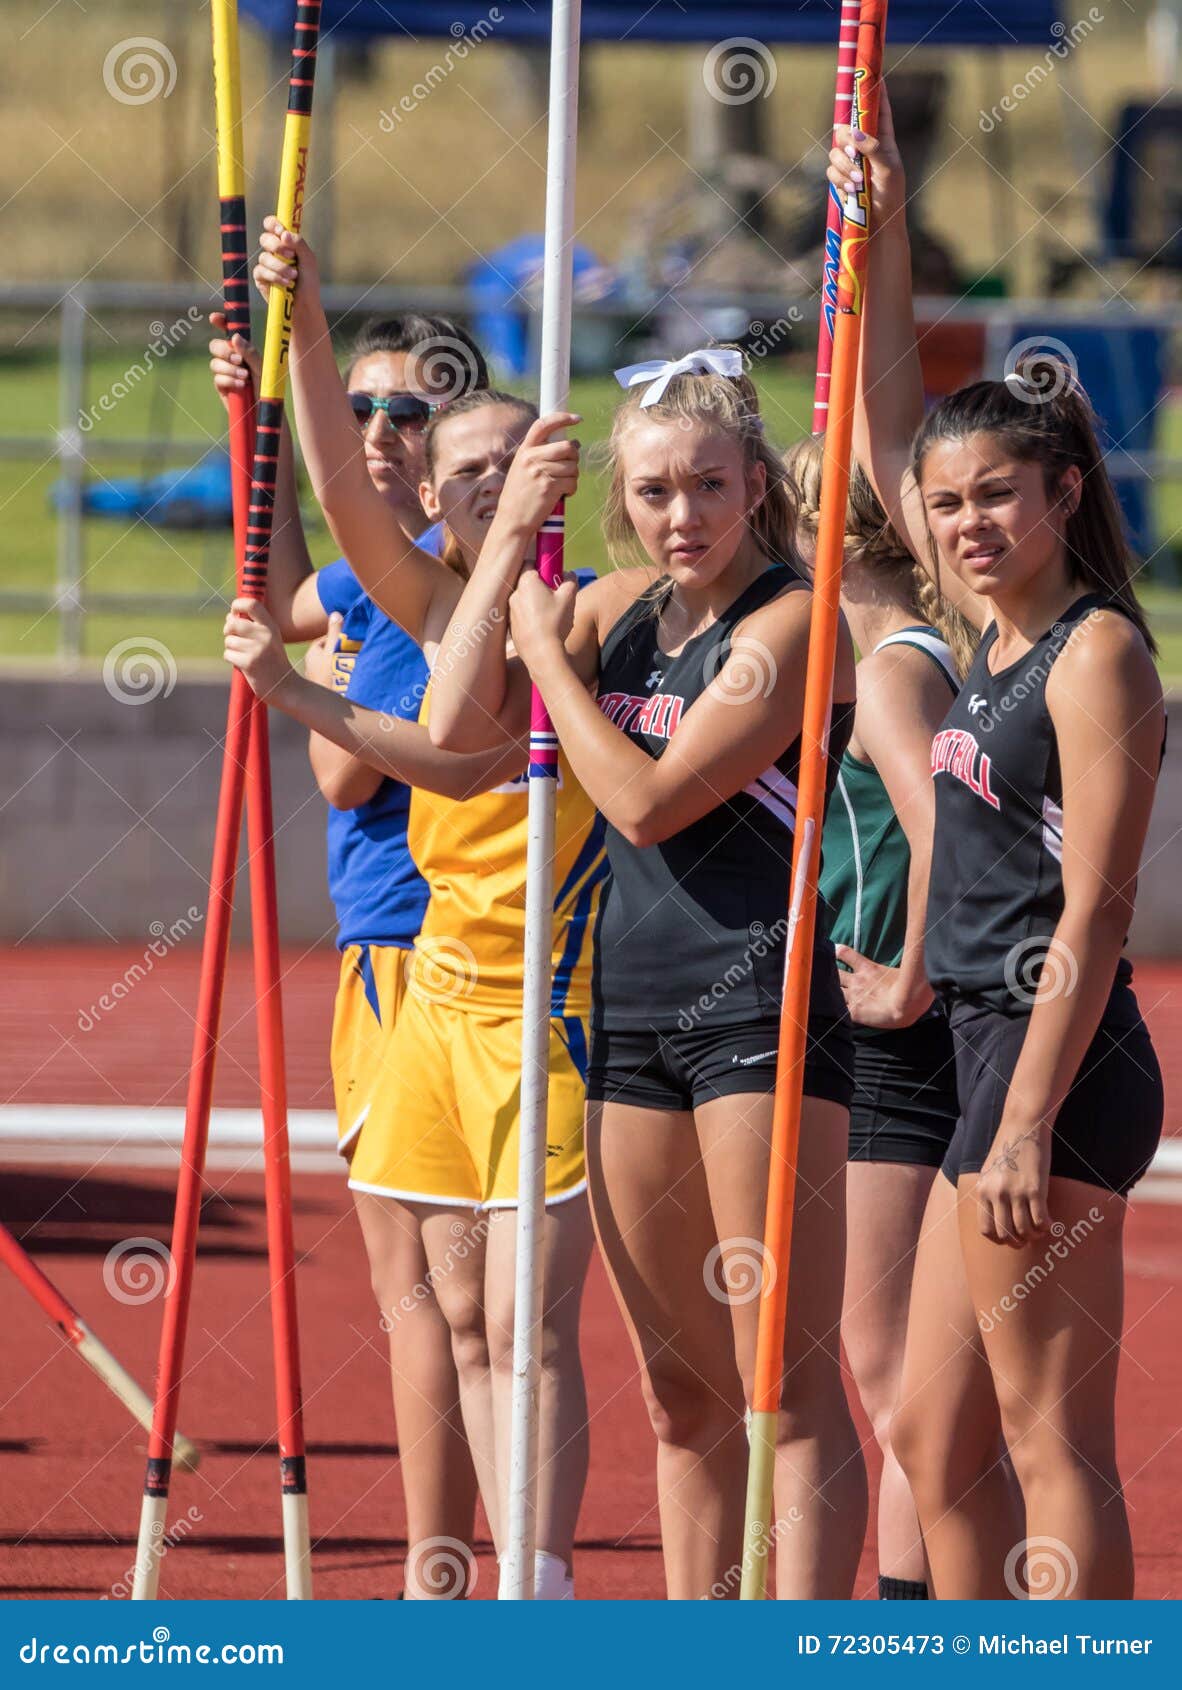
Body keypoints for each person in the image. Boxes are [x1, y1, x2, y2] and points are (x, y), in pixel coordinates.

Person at [428, 349, 868, 1599]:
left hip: (757, 1013)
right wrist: (511, 540)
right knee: (680, 1393)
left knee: (775, 1374)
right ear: (622, 497)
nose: (685, 516)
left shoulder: (791, 614)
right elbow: (459, 726)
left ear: (754, 489)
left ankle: (794, 1646)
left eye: (710, 487)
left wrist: (550, 666)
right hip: (625, 1017)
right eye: (658, 491)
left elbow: (646, 803)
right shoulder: (612, 603)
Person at [225, 216, 607, 1600]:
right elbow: (336, 496)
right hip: (436, 1004)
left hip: (556, 1009)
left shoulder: (585, 612)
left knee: (524, 1321)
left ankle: (536, 1586)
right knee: (454, 1309)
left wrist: (309, 694)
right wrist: (301, 331)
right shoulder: (431, 595)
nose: (482, 488)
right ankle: (449, 1583)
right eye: (462, 474)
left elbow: (447, 743)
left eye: (508, 466)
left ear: (552, 479)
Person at [833, 111, 1166, 1599]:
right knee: (927, 1425)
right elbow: (884, 422)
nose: (962, 522)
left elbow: (1094, 914)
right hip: (981, 1043)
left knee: (1044, 1435)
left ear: (1063, 499)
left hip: (1058, 1060)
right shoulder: (991, 633)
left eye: (993, 500)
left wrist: (1024, 1116)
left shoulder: (1094, 657)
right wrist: (880, 231)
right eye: (948, 505)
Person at [209, 309, 495, 1598]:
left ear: (451, 446)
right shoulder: (389, 581)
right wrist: (255, 430)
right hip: (392, 957)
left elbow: (333, 768)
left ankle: (449, 1577)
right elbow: (272, 603)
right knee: (448, 1300)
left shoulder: (425, 579)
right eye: (363, 407)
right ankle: (465, 1568)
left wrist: (321, 662)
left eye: (409, 413)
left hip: (423, 956)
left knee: (439, 1296)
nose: (381, 431)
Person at [788, 438, 974, 1601]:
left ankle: (915, 1618)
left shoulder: (897, 669)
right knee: (902, 1364)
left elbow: (946, 825)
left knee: (891, 1363)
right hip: (887, 1035)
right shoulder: (882, 657)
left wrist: (908, 979)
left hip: (894, 1044)